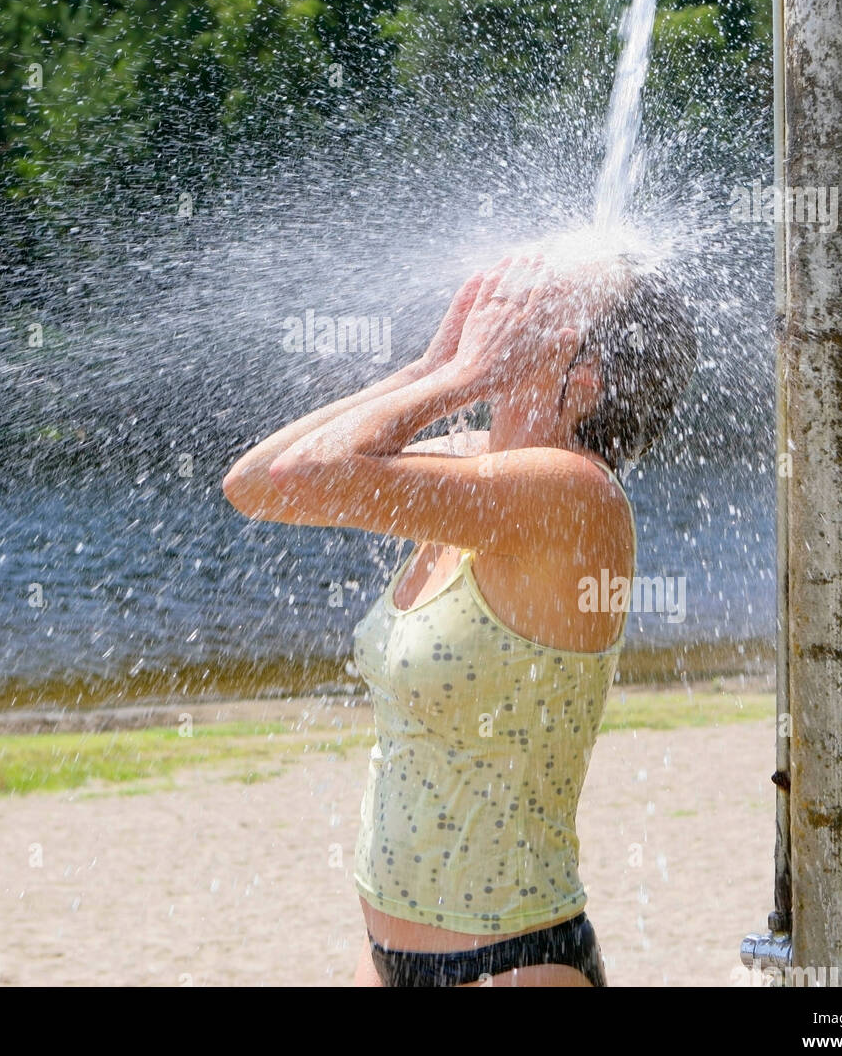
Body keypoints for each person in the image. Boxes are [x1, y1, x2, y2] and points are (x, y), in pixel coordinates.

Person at [222, 247, 698, 986]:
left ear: (585, 382)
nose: (509, 316)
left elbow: (303, 476)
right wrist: (423, 370)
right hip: (386, 955)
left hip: (509, 963)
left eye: (540, 314)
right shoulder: (477, 465)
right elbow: (256, 484)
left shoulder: (572, 495)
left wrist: (462, 377)